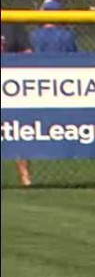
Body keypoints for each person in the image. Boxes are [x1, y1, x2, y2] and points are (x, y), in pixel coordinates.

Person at [2, 18, 33, 186]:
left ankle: (25, 175)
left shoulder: (11, 23)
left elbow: (27, 52)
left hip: (10, 87)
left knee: (16, 129)